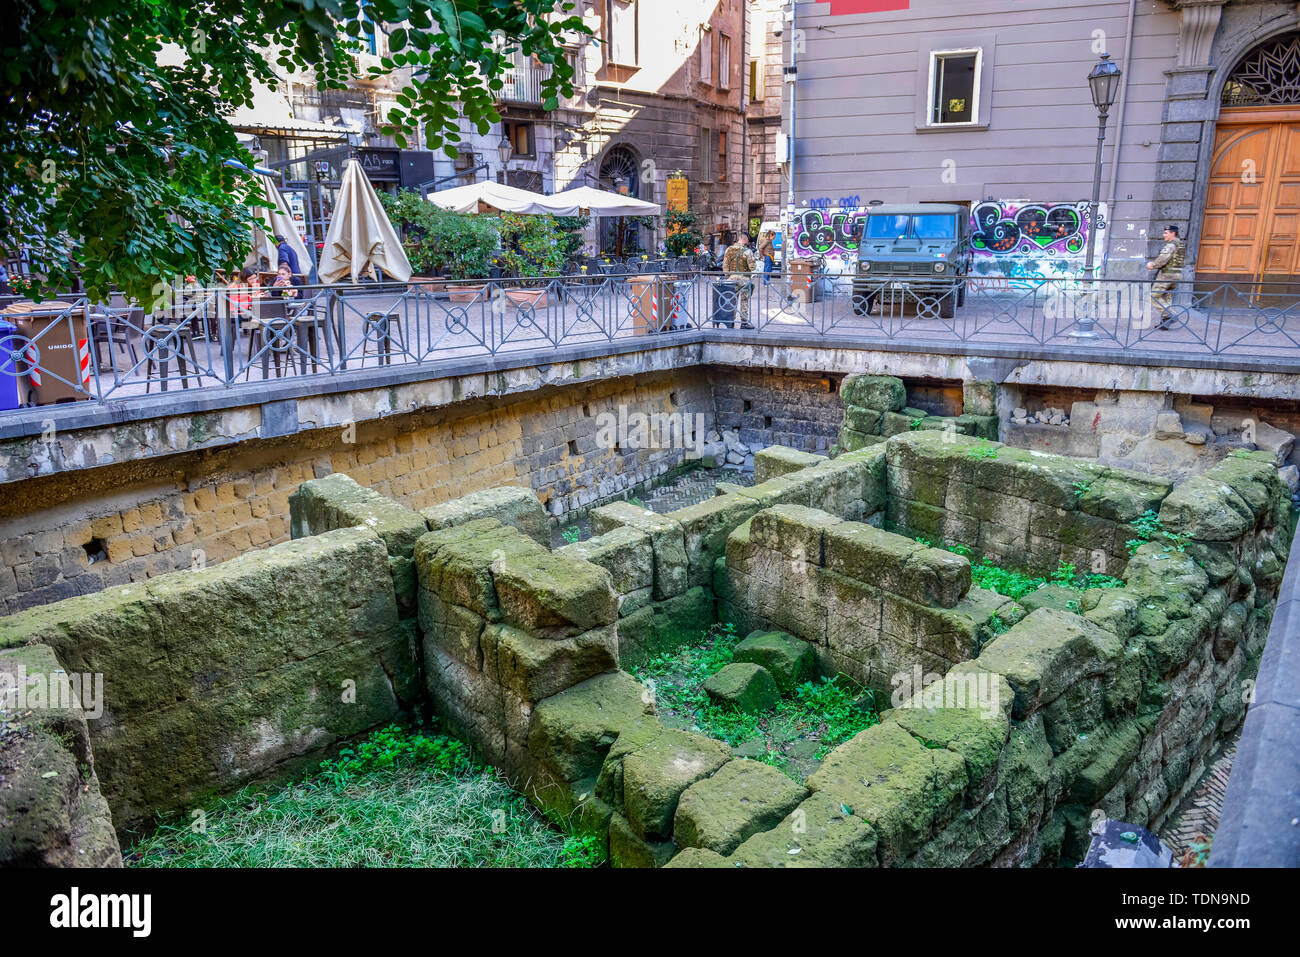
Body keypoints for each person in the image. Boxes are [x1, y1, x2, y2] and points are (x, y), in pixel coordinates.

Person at [1146, 225, 1185, 329]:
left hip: (1167, 275)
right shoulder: (1180, 244)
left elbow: (1163, 259)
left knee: (1153, 296)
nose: (1164, 235)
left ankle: (1170, 315)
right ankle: (1165, 323)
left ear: (1173, 233)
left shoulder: (1171, 245)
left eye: (1166, 233)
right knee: (1166, 298)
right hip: (1177, 275)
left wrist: (1152, 265)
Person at [721, 230, 757, 328]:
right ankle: (744, 323)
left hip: (731, 279)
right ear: (746, 240)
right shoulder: (748, 251)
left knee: (731, 300)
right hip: (744, 279)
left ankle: (730, 322)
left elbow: (725, 266)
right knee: (744, 301)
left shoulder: (729, 249)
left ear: (739, 238)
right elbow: (752, 267)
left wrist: (728, 276)